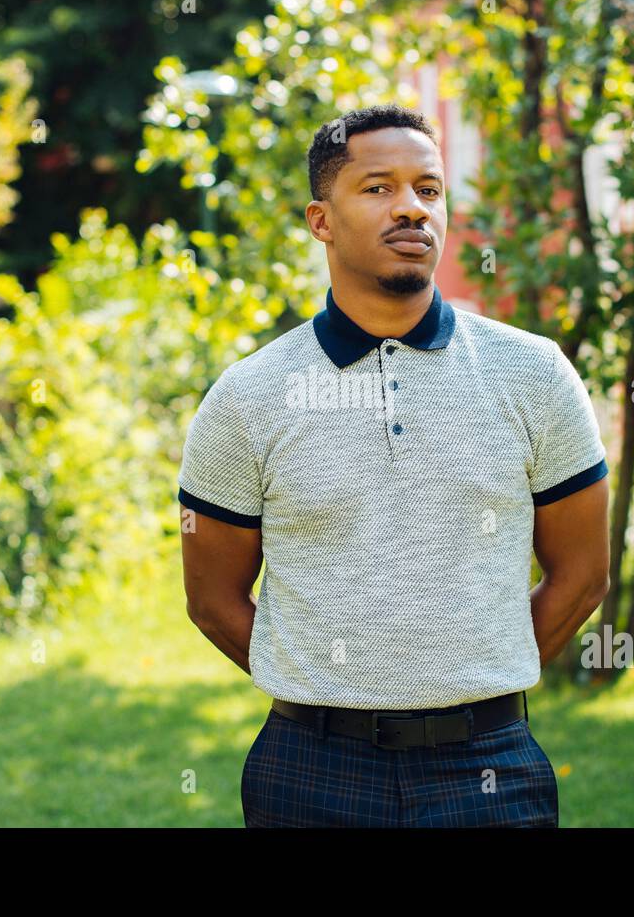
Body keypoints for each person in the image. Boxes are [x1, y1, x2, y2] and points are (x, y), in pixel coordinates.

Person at [178, 104, 610, 827]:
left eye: (429, 190)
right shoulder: (247, 397)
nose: (411, 208)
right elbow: (212, 597)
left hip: (490, 766)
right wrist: (324, 684)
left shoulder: (534, 374)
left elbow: (583, 573)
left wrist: (473, 681)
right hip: (310, 771)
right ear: (321, 220)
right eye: (378, 188)